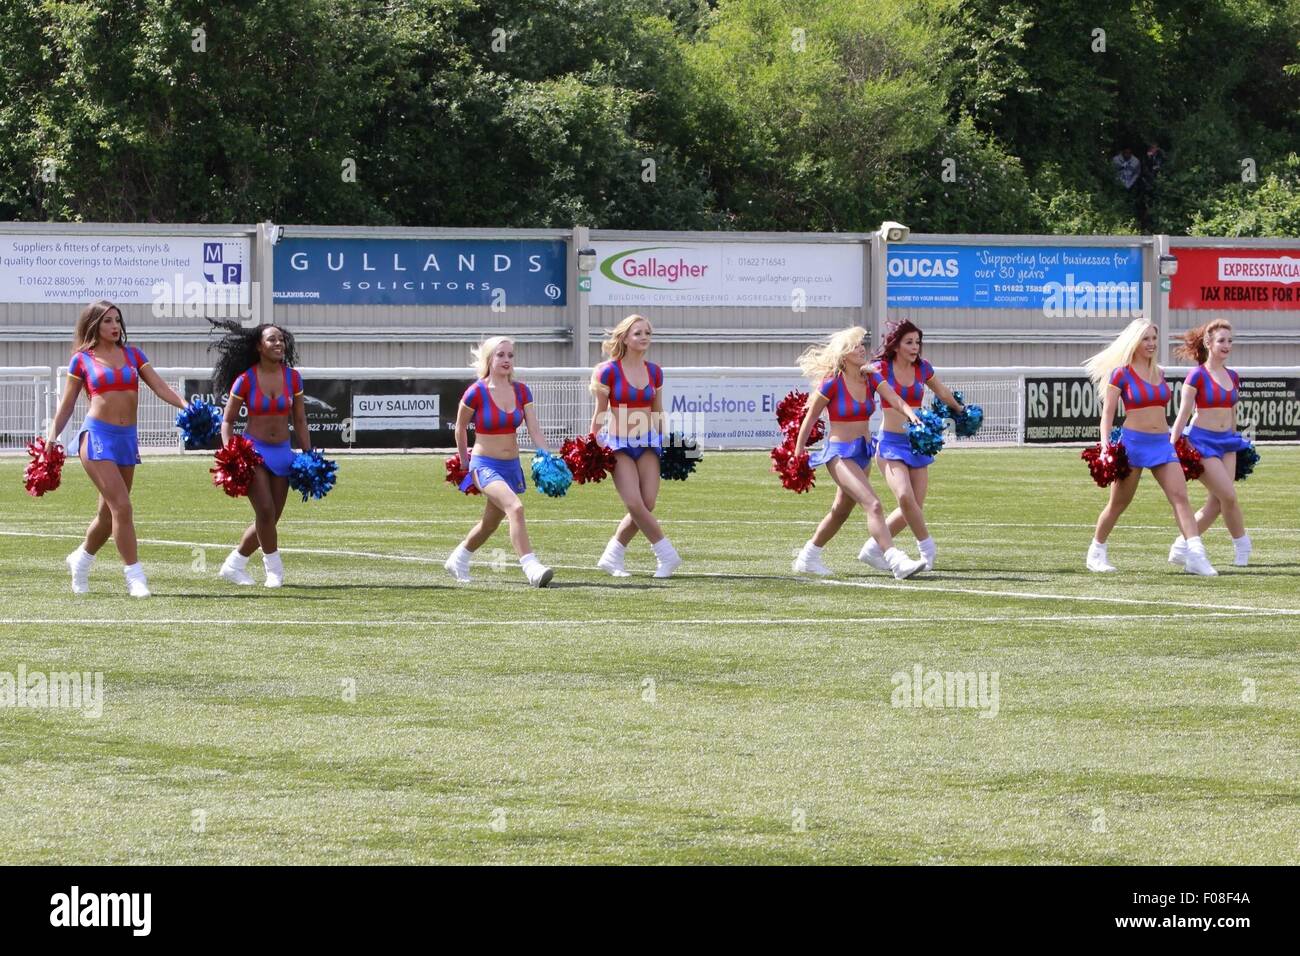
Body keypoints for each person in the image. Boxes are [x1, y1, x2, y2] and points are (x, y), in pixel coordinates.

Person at [47, 300, 188, 597]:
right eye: (108, 321)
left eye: (117, 321)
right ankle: (135, 577)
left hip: (126, 439)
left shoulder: (134, 355)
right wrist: (51, 438)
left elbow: (161, 388)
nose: (115, 326)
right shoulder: (82, 360)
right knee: (122, 507)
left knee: (108, 515)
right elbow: (67, 405)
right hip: (96, 438)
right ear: (94, 325)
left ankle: (81, 560)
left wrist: (187, 406)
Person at [788, 327, 928, 579]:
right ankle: (895, 560)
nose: (862, 348)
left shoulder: (871, 377)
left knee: (840, 510)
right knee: (873, 505)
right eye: (855, 346)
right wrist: (798, 453)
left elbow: (895, 398)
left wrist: (910, 414)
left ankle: (807, 556)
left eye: (862, 344)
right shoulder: (832, 382)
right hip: (839, 454)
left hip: (863, 452)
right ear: (844, 354)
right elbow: (810, 418)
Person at [1083, 318, 1216, 575]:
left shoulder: (1160, 372)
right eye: (1146, 339)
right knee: (1119, 503)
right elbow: (1107, 415)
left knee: (1180, 497)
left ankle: (1196, 555)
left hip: (1162, 444)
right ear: (1135, 342)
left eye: (1154, 338)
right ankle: (1096, 551)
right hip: (1133, 444)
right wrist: (1105, 447)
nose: (1151, 343)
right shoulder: (1121, 373)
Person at [444, 337, 555, 587]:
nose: (506, 360)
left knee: (489, 523)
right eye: (500, 355)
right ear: (489, 359)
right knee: (515, 508)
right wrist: (464, 462)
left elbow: (534, 428)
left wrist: (547, 456)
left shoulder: (521, 390)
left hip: (511, 466)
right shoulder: (477, 391)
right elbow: (460, 428)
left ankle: (458, 559)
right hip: (484, 465)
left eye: (510, 356)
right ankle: (531, 567)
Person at [210, 319, 313, 588]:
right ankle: (275, 571)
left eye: (281, 339)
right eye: (272, 339)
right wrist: (231, 451)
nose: (278, 343)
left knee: (269, 519)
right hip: (253, 451)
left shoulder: (293, 377)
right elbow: (227, 421)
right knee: (265, 511)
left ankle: (234, 564)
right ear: (259, 346)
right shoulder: (245, 379)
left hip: (283, 452)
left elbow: (300, 421)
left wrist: (309, 455)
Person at [863, 321, 966, 572]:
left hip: (917, 444)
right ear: (896, 344)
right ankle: (927, 547)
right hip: (890, 444)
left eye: (917, 342)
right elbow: (863, 381)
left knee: (913, 508)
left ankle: (873, 549)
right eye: (909, 342)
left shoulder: (923, 368)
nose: (915, 347)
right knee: (904, 496)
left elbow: (941, 391)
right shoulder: (881, 368)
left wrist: (961, 411)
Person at [589, 314, 682, 578]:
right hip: (618, 444)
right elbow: (600, 412)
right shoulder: (608, 371)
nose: (644, 338)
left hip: (648, 442)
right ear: (625, 338)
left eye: (647, 333)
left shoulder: (654, 371)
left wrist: (669, 441)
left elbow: (657, 409)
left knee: (647, 503)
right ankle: (666, 554)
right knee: (633, 502)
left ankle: (612, 555)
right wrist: (591, 442)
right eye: (638, 333)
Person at [1168, 319, 1252, 567]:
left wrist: (1235, 439)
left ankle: (1184, 545)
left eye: (1230, 341)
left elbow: (1233, 415)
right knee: (1227, 494)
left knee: (1218, 502)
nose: (1227, 345)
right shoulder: (1197, 375)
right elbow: (1183, 414)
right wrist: (1172, 445)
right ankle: (1241, 541)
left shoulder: (1233, 376)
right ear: (1209, 343)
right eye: (1222, 341)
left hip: (1228, 442)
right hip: (1202, 442)